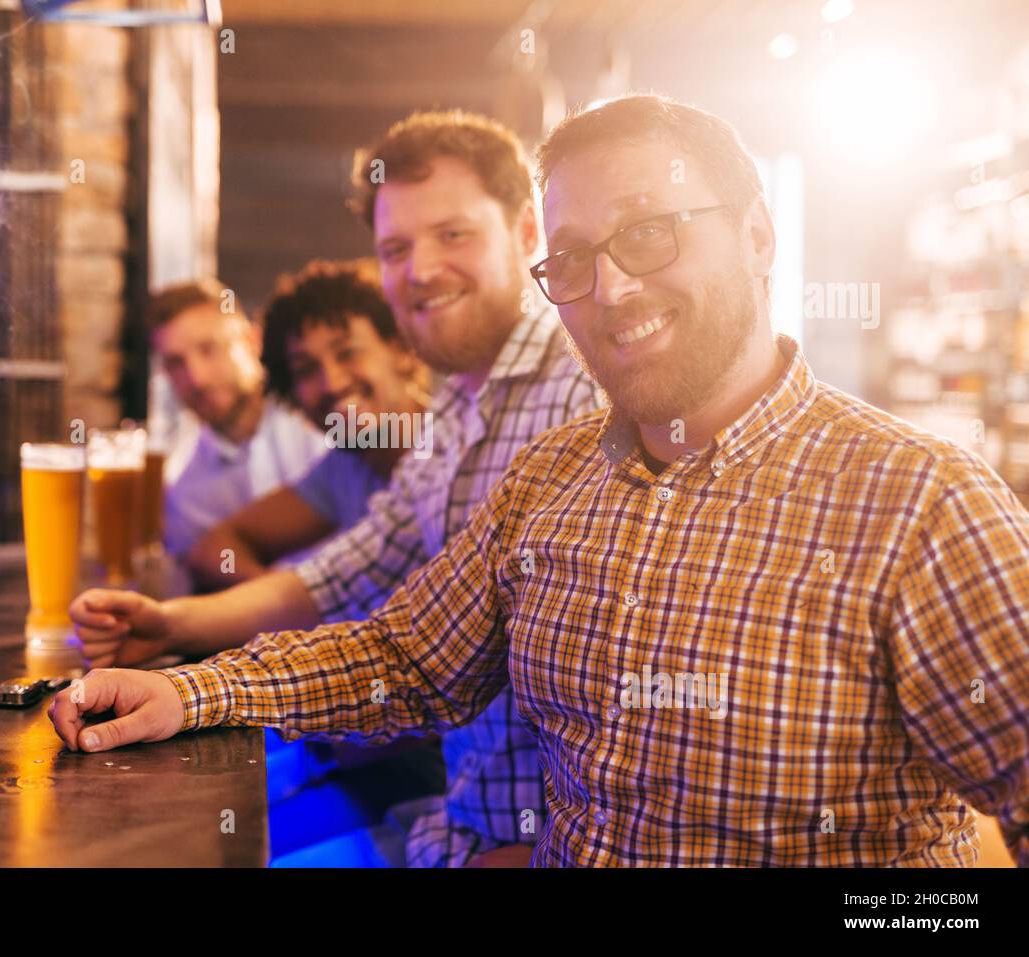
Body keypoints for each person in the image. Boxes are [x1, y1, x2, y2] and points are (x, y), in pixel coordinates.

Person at [51, 93, 1029, 867]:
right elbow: (405, 660)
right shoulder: (546, 477)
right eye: (573, 260)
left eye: (648, 234)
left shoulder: (924, 505)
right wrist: (192, 692)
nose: (609, 289)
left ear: (758, 238)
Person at [65, 110, 602, 867]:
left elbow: (623, 720)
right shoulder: (457, 410)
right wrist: (178, 628)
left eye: (454, 234)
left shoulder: (588, 392)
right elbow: (354, 573)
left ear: (524, 232)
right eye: (395, 248)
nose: (419, 270)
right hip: (457, 821)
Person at [185, 258, 431, 589]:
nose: (331, 383)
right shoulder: (346, 468)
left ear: (403, 350)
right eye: (306, 370)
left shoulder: (455, 453)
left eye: (347, 353)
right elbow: (215, 549)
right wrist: (277, 598)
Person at [149, 279, 327, 563]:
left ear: (252, 341)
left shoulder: (323, 423)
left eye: (208, 349)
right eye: (176, 363)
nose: (197, 378)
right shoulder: (185, 497)